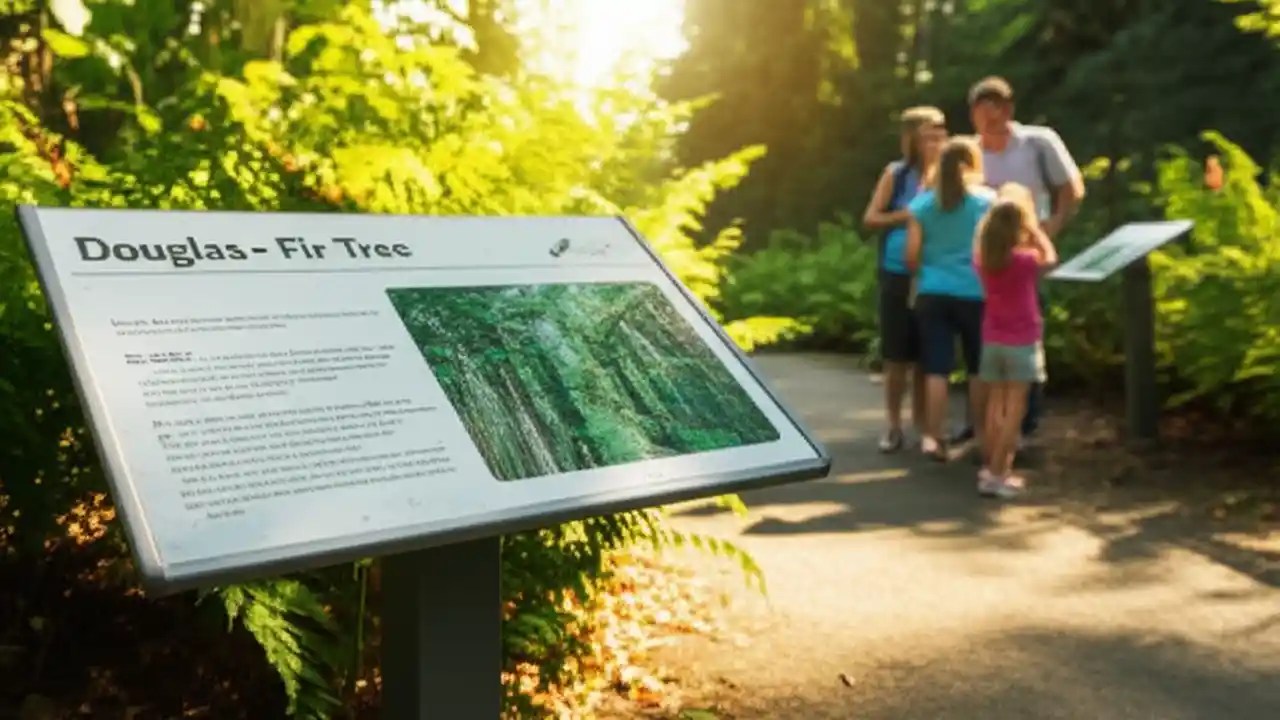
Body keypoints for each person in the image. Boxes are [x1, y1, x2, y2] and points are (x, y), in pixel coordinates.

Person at [951, 76, 1085, 447]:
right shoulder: (969, 151)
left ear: (1008, 111)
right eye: (980, 117)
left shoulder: (1038, 142)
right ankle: (980, 421)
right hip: (982, 259)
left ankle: (1024, 420)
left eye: (994, 116)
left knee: (1026, 330)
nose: (988, 126)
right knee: (981, 334)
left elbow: (1072, 188)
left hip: (1026, 256)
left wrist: (1050, 229)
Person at [862, 106, 947, 453]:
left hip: (935, 273)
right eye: (929, 133)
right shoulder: (896, 174)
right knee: (896, 354)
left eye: (941, 132)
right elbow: (871, 217)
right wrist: (909, 215)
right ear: (912, 138)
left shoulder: (953, 174)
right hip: (897, 271)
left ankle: (926, 427)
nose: (937, 139)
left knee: (929, 355)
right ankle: (894, 425)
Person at [904, 136, 995, 460]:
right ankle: (981, 434)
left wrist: (927, 270)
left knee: (937, 368)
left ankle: (933, 436)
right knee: (977, 367)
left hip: (933, 291)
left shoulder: (922, 205)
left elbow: (911, 256)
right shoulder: (987, 202)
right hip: (975, 291)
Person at [973, 184, 1058, 497]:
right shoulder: (1023, 262)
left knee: (996, 404)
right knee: (1015, 411)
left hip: (992, 338)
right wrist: (1035, 229)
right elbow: (1050, 258)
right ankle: (997, 473)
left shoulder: (982, 261)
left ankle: (993, 467)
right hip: (1022, 340)